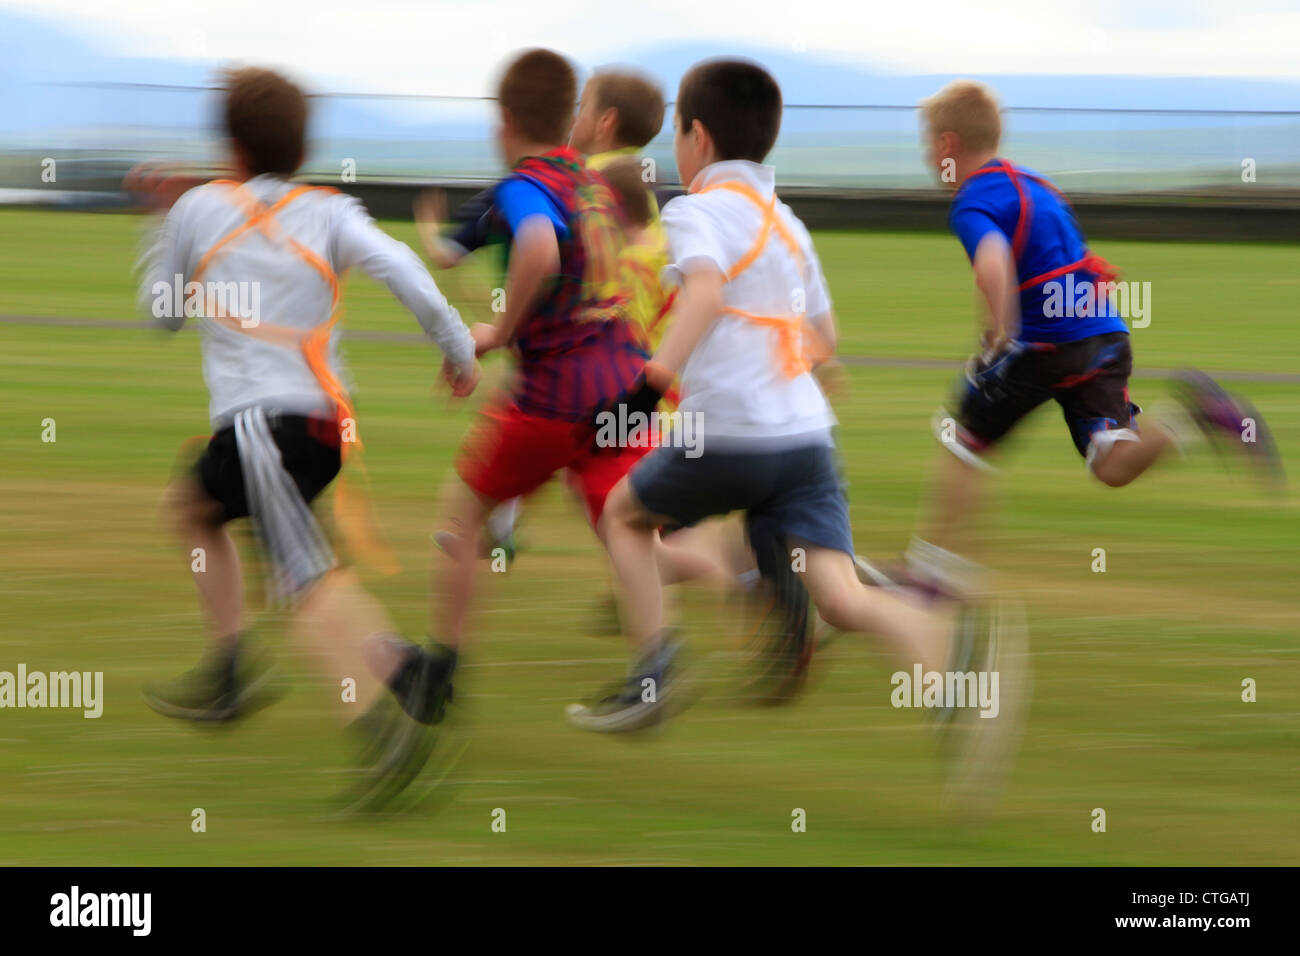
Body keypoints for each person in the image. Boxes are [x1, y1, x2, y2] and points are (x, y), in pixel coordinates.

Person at [132, 66, 480, 807]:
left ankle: (386, 715)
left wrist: (161, 225)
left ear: (228, 144)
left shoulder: (198, 208)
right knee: (192, 510)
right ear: (303, 145)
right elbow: (405, 269)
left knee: (302, 579)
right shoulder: (330, 212)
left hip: (261, 427)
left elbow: (160, 315)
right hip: (323, 428)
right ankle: (232, 668)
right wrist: (457, 353)